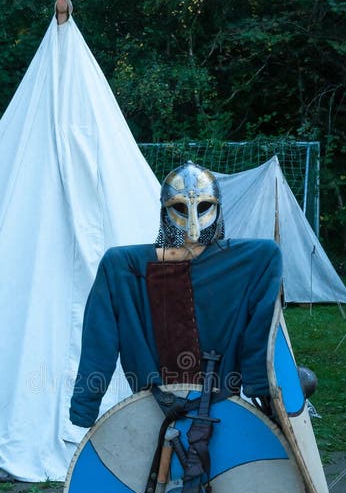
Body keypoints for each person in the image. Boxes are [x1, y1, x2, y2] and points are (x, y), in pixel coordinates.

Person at [69, 161, 282, 429]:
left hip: (222, 399)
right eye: (181, 207)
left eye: (203, 206)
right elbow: (98, 340)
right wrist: (85, 405)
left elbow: (263, 328)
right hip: (156, 400)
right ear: (165, 211)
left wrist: (262, 386)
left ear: (217, 206)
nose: (193, 224)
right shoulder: (122, 267)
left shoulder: (257, 259)